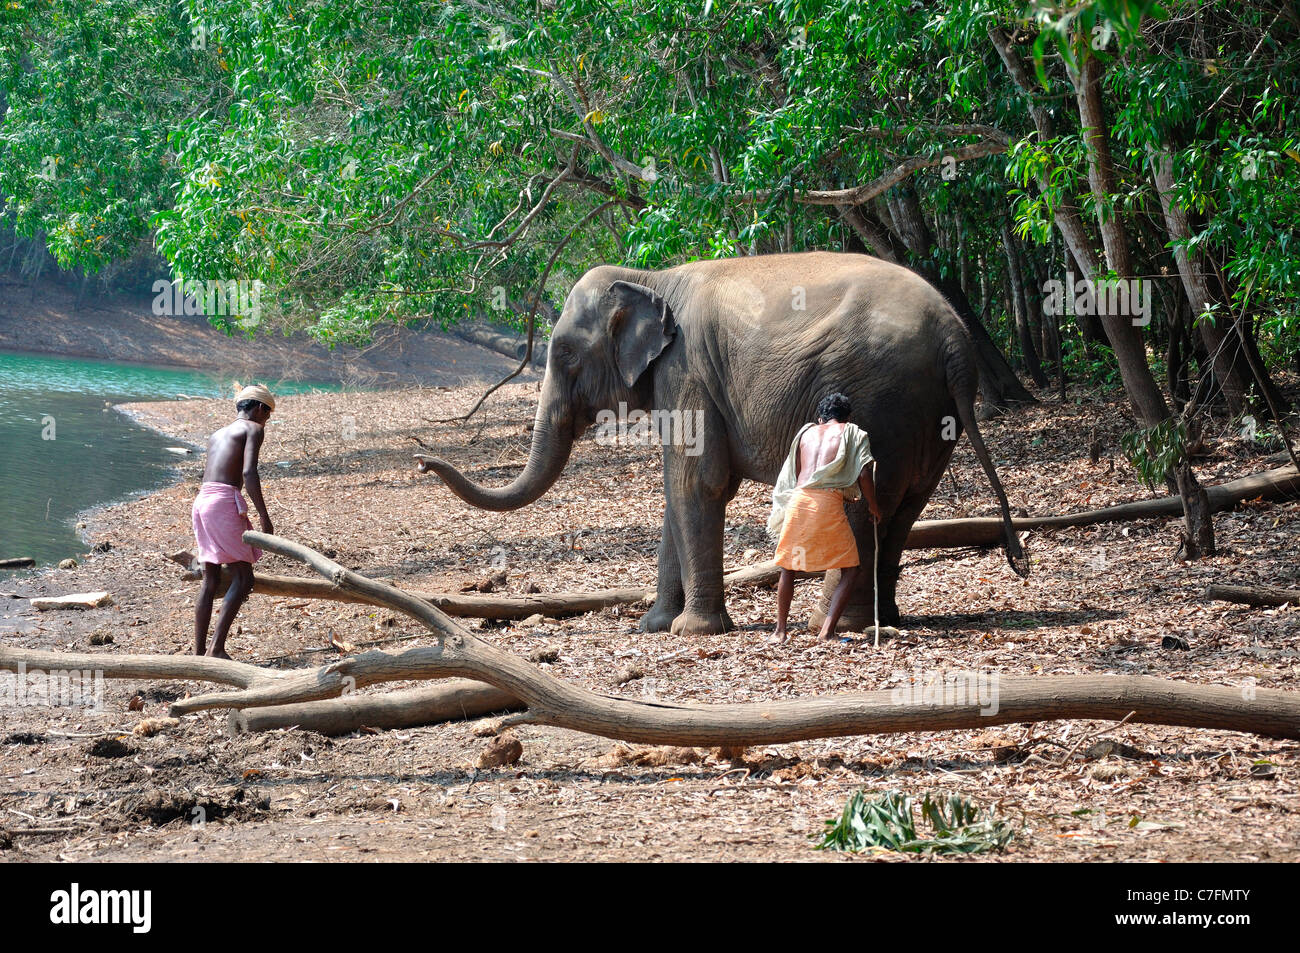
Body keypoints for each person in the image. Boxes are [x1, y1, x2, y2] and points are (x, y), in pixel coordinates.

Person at [768, 392, 881, 643]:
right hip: (827, 502)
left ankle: (780, 632)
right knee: (851, 569)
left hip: (798, 500)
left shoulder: (806, 432)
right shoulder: (853, 432)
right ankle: (827, 632)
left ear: (821, 418)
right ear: (848, 417)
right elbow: (864, 473)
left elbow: (796, 471)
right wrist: (873, 506)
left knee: (788, 568)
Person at [192, 384, 275, 658]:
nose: (267, 420)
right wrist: (264, 515)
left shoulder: (217, 434)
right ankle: (215, 650)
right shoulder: (253, 429)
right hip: (223, 502)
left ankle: (199, 652)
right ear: (260, 408)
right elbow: (249, 473)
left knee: (210, 578)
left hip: (202, 501)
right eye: (268, 413)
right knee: (243, 577)